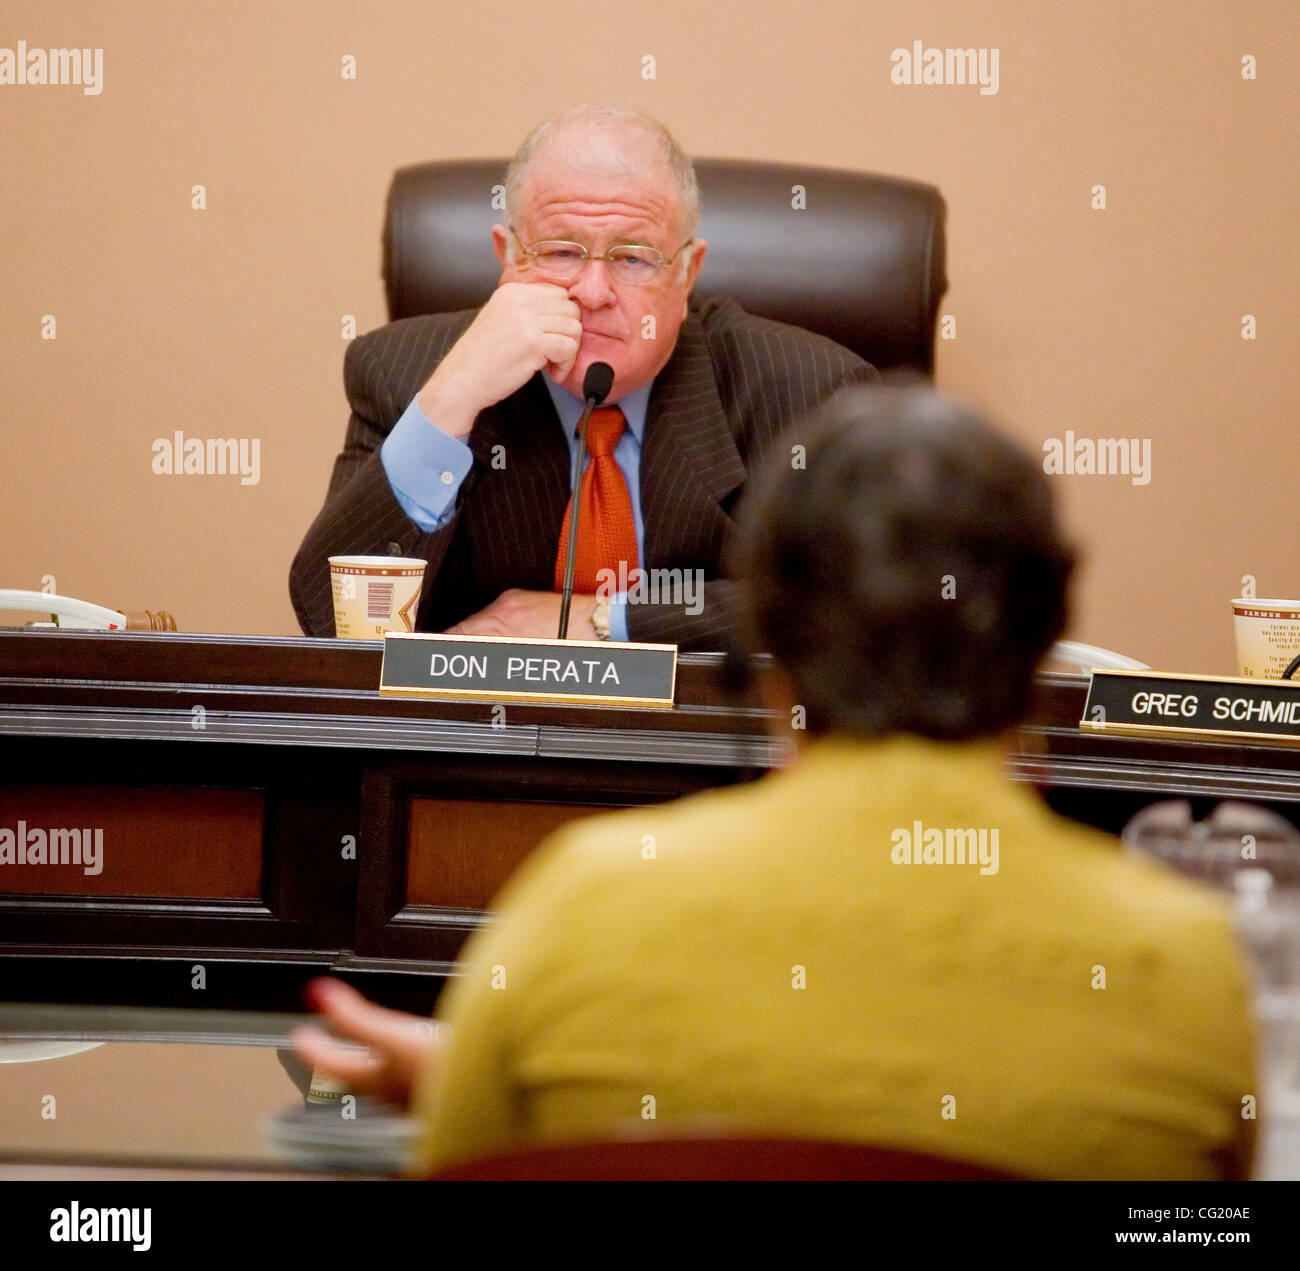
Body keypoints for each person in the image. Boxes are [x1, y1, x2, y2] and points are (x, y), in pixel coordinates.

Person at [294, 384, 1256, 1180]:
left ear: (769, 643)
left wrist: (509, 1079)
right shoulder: (1182, 967)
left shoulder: (587, 908)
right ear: (1044, 636)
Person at [289, 104, 877, 650]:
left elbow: (853, 606)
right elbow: (332, 621)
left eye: (633, 258)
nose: (592, 293)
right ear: (507, 257)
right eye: (561, 252)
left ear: (688, 272)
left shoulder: (807, 391)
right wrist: (450, 399)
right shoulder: (404, 374)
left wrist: (602, 620)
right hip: (479, 752)